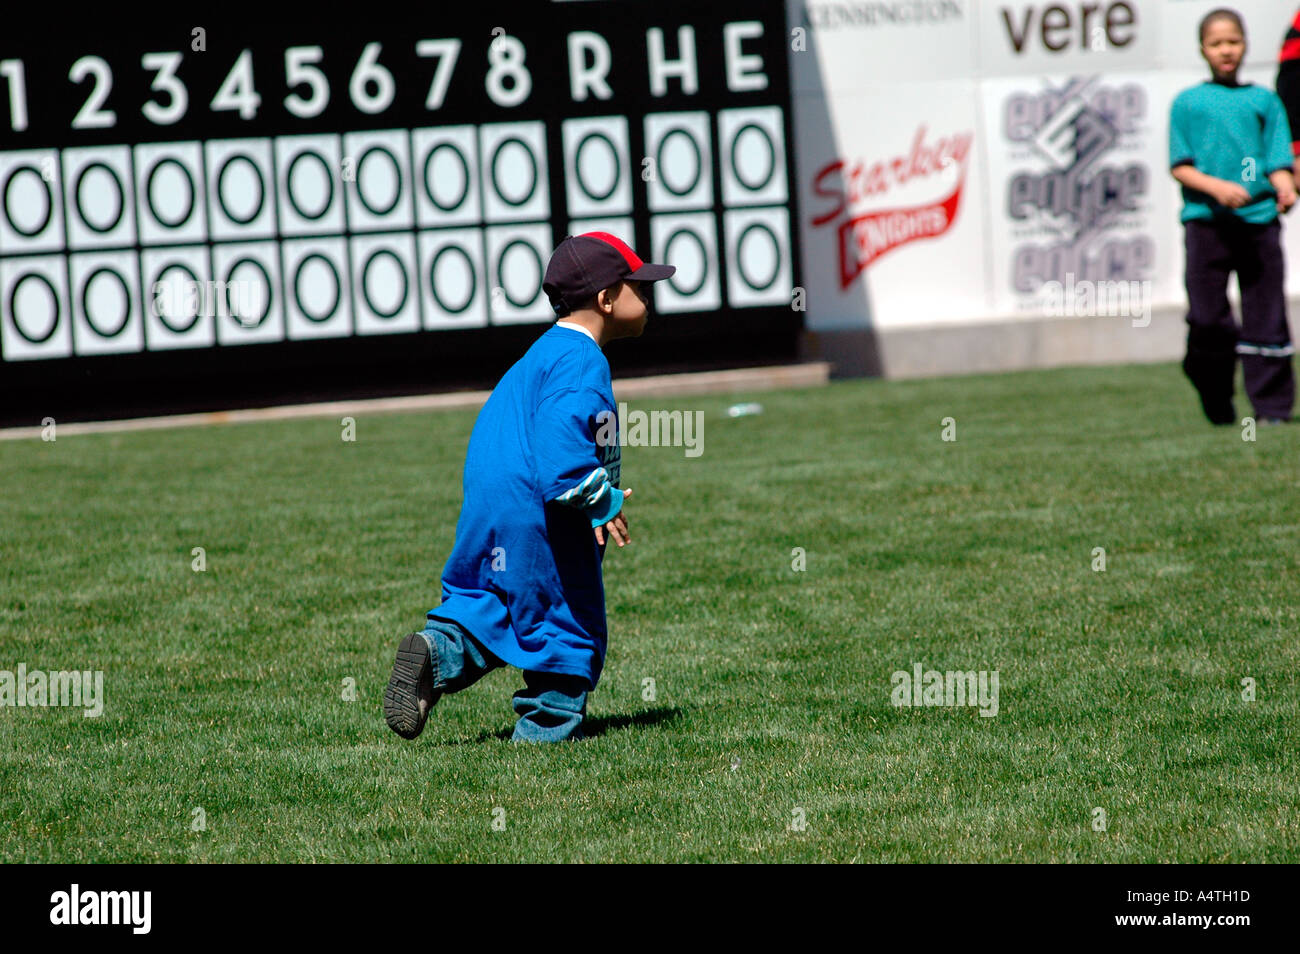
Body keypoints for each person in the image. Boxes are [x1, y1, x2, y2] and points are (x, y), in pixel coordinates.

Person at [383, 233, 674, 743]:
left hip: (496, 503)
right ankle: (544, 731)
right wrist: (599, 498)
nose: (646, 299)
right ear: (606, 299)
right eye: (638, 287)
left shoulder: (540, 353)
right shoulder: (584, 360)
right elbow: (562, 449)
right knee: (567, 615)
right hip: (543, 512)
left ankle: (436, 652)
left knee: (497, 601)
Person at [1169, 8, 1298, 425]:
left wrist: (1286, 186)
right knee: (1209, 319)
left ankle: (1271, 410)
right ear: (1203, 49)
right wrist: (1218, 188)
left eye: (1234, 41)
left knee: (1266, 312)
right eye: (1217, 43)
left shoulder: (1264, 100)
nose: (1226, 50)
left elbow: (1278, 158)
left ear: (1244, 44)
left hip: (1259, 223)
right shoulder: (1188, 103)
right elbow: (1180, 164)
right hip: (1207, 223)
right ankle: (1215, 391)